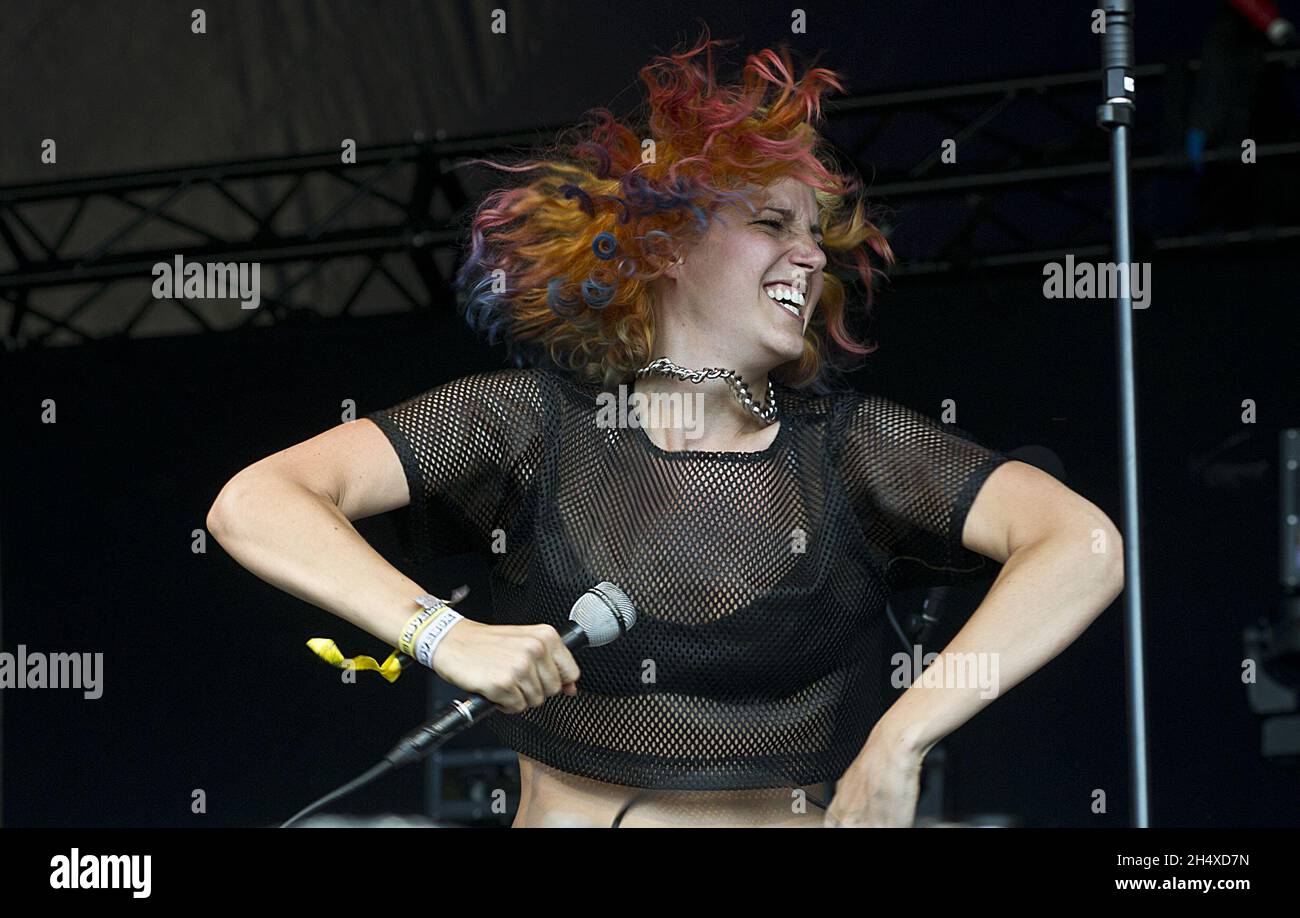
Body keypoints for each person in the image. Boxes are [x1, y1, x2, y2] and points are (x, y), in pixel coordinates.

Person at [207, 30, 1124, 828]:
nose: (809, 254)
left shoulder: (854, 449)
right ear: (668, 243)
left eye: (817, 235)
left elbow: (1083, 545)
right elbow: (255, 502)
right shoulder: (523, 423)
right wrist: (442, 635)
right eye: (771, 222)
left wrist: (903, 734)